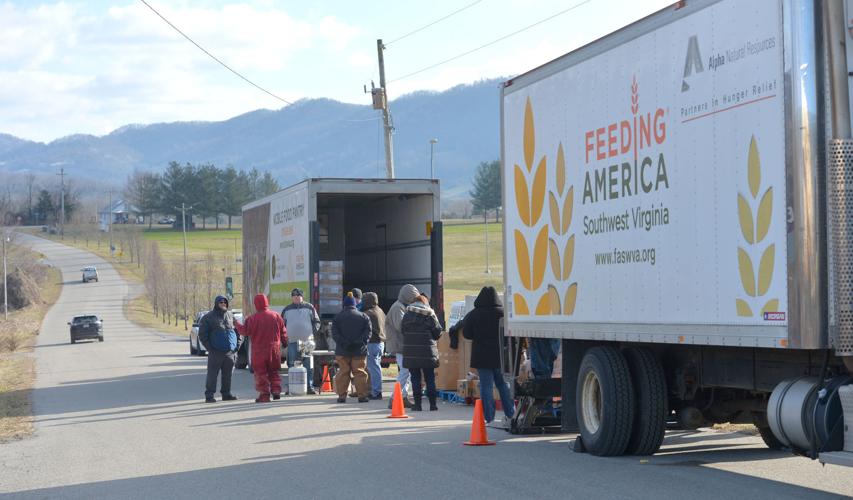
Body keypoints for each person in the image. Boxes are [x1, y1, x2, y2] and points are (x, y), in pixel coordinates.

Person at [461, 286, 515, 426]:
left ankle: (489, 417)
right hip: (500, 356)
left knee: (486, 386)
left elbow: (466, 334)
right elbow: (511, 334)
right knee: (503, 384)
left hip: (482, 356)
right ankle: (511, 413)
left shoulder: (473, 314)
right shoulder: (502, 313)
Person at [238, 294, 287, 403]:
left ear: (256, 304)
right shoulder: (276, 316)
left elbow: (244, 331)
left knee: (261, 373)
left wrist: (236, 324)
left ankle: (264, 395)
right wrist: (284, 342)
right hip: (274, 349)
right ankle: (276, 390)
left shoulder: (252, 319)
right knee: (274, 371)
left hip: (259, 350)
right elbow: (283, 331)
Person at [401, 294, 443, 411]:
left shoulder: (407, 315)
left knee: (415, 378)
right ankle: (433, 404)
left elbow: (402, 330)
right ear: (425, 303)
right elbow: (438, 332)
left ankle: (418, 404)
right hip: (428, 353)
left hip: (411, 352)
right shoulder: (430, 315)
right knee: (430, 378)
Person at [198, 295, 243, 403]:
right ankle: (209, 395)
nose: (223, 304)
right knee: (212, 375)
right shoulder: (208, 317)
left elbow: (239, 332)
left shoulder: (230, 316)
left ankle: (226, 394)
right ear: (216, 303)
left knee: (227, 375)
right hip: (215, 352)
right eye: (221, 302)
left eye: (225, 302)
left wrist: (237, 346)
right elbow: (203, 335)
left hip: (230, 352)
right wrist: (210, 348)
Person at [331, 292, 371, 403]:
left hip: (342, 351)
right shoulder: (364, 317)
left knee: (343, 372)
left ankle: (342, 396)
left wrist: (345, 343)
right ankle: (362, 395)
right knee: (359, 372)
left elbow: (335, 334)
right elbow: (368, 333)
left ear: (344, 304)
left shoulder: (338, 317)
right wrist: (358, 342)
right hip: (359, 351)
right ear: (354, 304)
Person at [384, 284, 420, 408]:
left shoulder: (403, 306)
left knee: (407, 372)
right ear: (408, 296)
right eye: (414, 297)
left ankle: (403, 396)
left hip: (403, 344)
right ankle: (394, 398)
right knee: (404, 371)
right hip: (399, 345)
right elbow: (401, 326)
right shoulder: (397, 308)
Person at [282, 288, 320, 394]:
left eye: (298, 296)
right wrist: (284, 338)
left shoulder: (309, 307)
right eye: (294, 296)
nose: (296, 298)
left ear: (302, 297)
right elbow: (282, 325)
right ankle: (291, 387)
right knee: (292, 364)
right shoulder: (287, 309)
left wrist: (312, 331)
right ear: (292, 298)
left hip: (307, 342)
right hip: (292, 341)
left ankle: (309, 387)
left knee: (308, 364)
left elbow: (317, 321)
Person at [362, 292, 386, 400]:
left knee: (373, 367)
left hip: (373, 343)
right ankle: (375, 390)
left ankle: (376, 392)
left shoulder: (368, 313)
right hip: (380, 342)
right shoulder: (380, 311)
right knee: (376, 366)